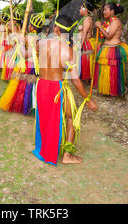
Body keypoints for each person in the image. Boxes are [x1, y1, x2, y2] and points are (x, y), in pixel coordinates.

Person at [32, 14, 98, 165]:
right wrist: (88, 99)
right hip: (56, 88)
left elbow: (37, 54)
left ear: (55, 28)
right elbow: (75, 78)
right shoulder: (67, 51)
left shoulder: (40, 44)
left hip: (42, 85)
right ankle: (67, 155)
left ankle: (45, 147)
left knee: (45, 117)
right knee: (72, 117)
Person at [0, 13, 45, 116]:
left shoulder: (28, 38)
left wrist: (20, 43)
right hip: (38, 66)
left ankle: (23, 106)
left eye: (29, 24)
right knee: (33, 86)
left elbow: (24, 55)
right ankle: (34, 106)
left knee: (24, 86)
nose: (28, 26)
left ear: (31, 26)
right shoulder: (43, 37)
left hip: (28, 64)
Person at [93, 3, 128, 96]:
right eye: (103, 10)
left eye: (106, 10)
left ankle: (112, 92)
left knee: (112, 72)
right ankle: (106, 90)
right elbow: (105, 37)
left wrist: (99, 26)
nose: (104, 12)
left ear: (112, 11)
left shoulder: (115, 21)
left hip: (114, 50)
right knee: (105, 71)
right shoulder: (109, 21)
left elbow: (109, 36)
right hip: (106, 48)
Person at [75, 1, 96, 82]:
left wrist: (81, 44)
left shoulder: (87, 19)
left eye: (80, 8)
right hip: (81, 42)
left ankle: (86, 81)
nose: (79, 10)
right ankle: (83, 80)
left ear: (86, 10)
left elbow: (84, 32)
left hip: (85, 43)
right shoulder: (84, 19)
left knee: (85, 62)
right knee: (80, 62)